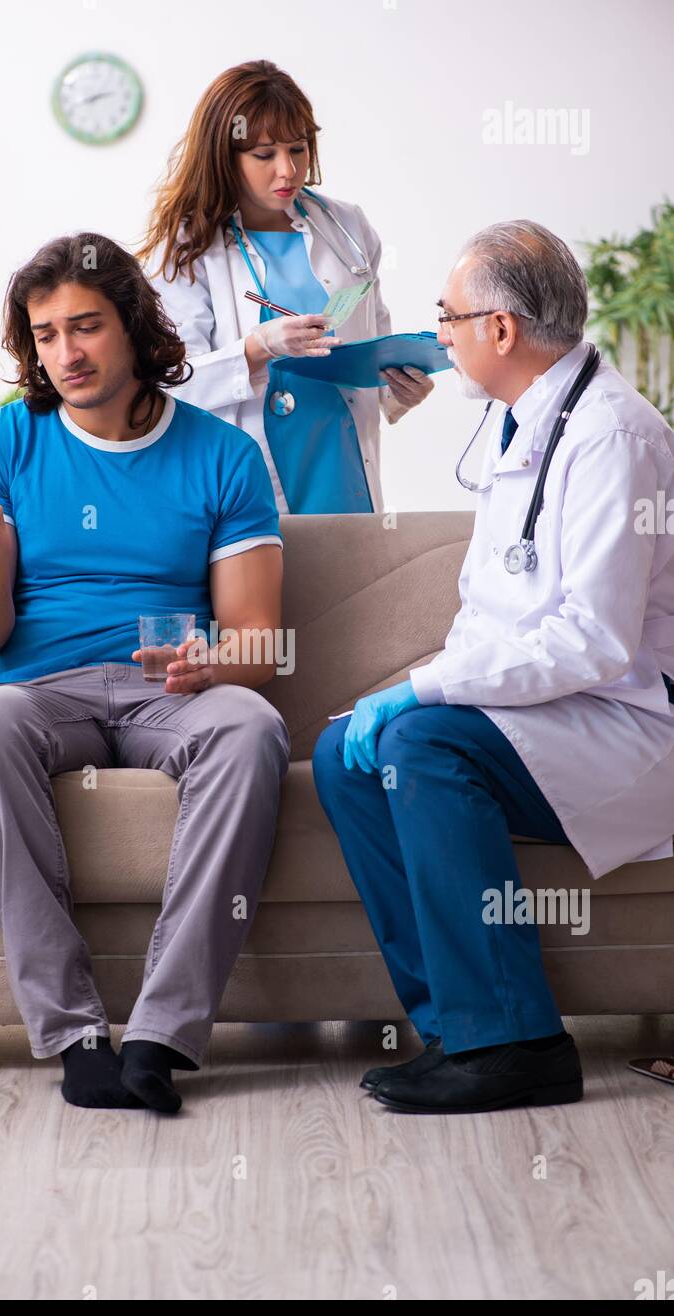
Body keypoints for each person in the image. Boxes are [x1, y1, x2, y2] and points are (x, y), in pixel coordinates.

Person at [312, 220, 674, 1115]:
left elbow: (591, 641)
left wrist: (420, 688)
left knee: (424, 742)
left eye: (448, 315)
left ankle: (514, 1043)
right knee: (343, 756)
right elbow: (496, 616)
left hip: (630, 727)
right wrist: (401, 694)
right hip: (557, 718)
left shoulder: (613, 439)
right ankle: (454, 1027)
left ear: (501, 330)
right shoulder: (522, 427)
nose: (439, 332)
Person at [0, 232, 291, 1115]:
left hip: (170, 690)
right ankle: (73, 1035)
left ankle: (164, 1036)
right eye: (46, 335)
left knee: (251, 730)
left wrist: (212, 663)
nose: (67, 353)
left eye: (85, 327)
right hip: (39, 692)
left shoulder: (222, 455)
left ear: (132, 326)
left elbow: (260, 640)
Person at [138, 59, 433, 516]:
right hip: (248, 467)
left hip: (343, 460)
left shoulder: (347, 226)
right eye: (264, 155)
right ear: (224, 156)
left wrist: (400, 391)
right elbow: (175, 385)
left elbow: (375, 345)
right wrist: (258, 348)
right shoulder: (187, 249)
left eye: (298, 149)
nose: (288, 170)